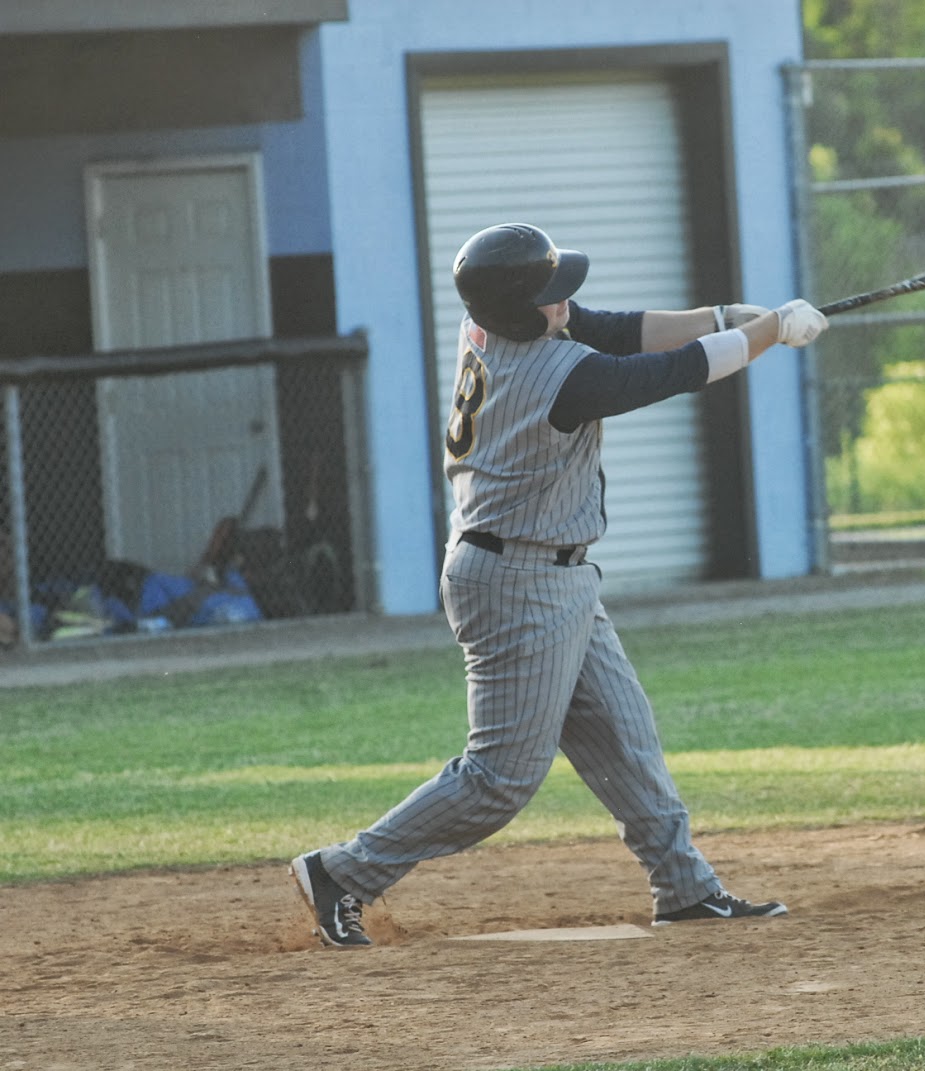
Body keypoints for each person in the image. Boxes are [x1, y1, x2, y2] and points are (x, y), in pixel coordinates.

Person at [291, 223, 828, 947]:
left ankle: (685, 888)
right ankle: (343, 872)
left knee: (624, 736)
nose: (565, 304)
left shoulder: (489, 327)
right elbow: (671, 372)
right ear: (518, 308)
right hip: (515, 580)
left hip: (552, 572)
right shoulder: (556, 376)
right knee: (498, 779)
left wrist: (735, 317)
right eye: (550, 295)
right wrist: (769, 335)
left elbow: (623, 328)